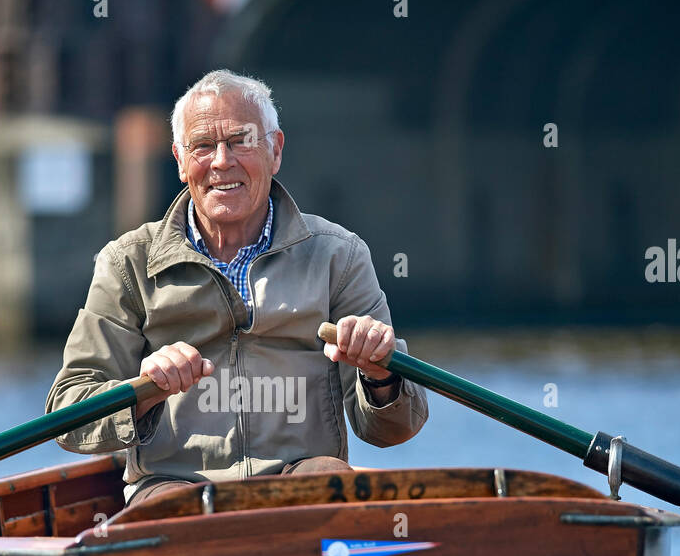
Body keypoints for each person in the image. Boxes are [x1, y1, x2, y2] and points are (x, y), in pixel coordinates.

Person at [46, 69, 428, 505]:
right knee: (166, 515)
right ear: (179, 159)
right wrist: (143, 390)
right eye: (203, 146)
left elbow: (396, 429)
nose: (222, 161)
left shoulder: (338, 256)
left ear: (275, 150)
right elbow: (68, 415)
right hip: (174, 485)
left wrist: (381, 374)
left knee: (328, 482)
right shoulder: (127, 263)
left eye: (241, 140)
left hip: (302, 482)